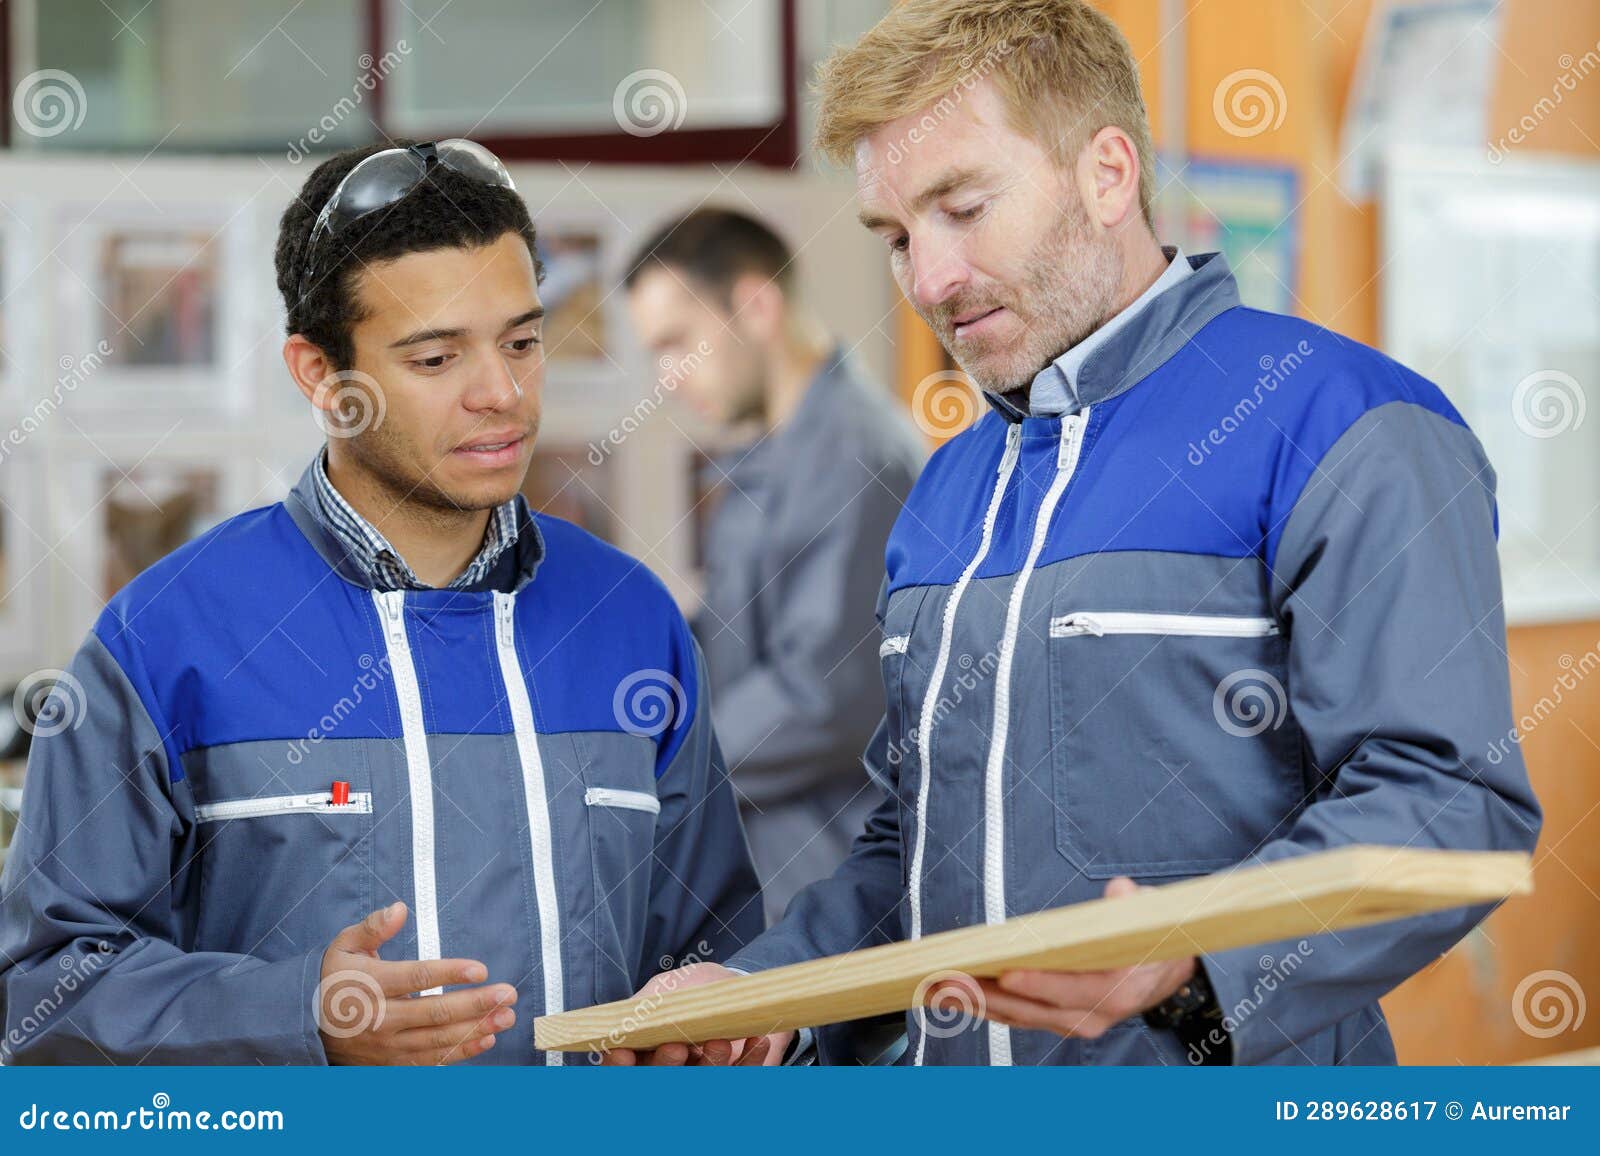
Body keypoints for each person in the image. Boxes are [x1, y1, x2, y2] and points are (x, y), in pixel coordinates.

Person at [604, 0, 1541, 1067]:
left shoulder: (1344, 426)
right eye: (899, 236)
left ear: (1106, 173)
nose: (930, 281)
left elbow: (1449, 802)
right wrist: (762, 989)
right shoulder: (948, 490)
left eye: (963, 208)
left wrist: (1192, 970)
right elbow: (908, 843)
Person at [0, 139, 767, 1065]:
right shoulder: (162, 638)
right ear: (322, 378)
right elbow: (43, 996)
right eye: (437, 358)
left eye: (523, 341)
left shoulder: (633, 618)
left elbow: (720, 956)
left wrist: (732, 1033)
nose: (503, 393)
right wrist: (294, 1016)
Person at [624, 209, 925, 923]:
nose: (667, 377)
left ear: (755, 306)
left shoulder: (855, 451)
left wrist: (651, 775)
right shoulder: (772, 455)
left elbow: (823, 695)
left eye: (677, 343)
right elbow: (732, 640)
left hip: (834, 880)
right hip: (775, 873)